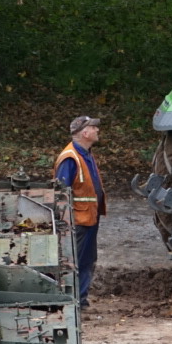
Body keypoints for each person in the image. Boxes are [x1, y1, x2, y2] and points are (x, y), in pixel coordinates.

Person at [53, 116, 106, 307]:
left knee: (87, 259)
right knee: (77, 261)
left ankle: (80, 298)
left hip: (89, 217)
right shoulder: (70, 158)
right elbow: (61, 194)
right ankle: (75, 300)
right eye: (94, 127)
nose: (97, 130)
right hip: (78, 220)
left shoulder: (85, 154)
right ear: (84, 133)